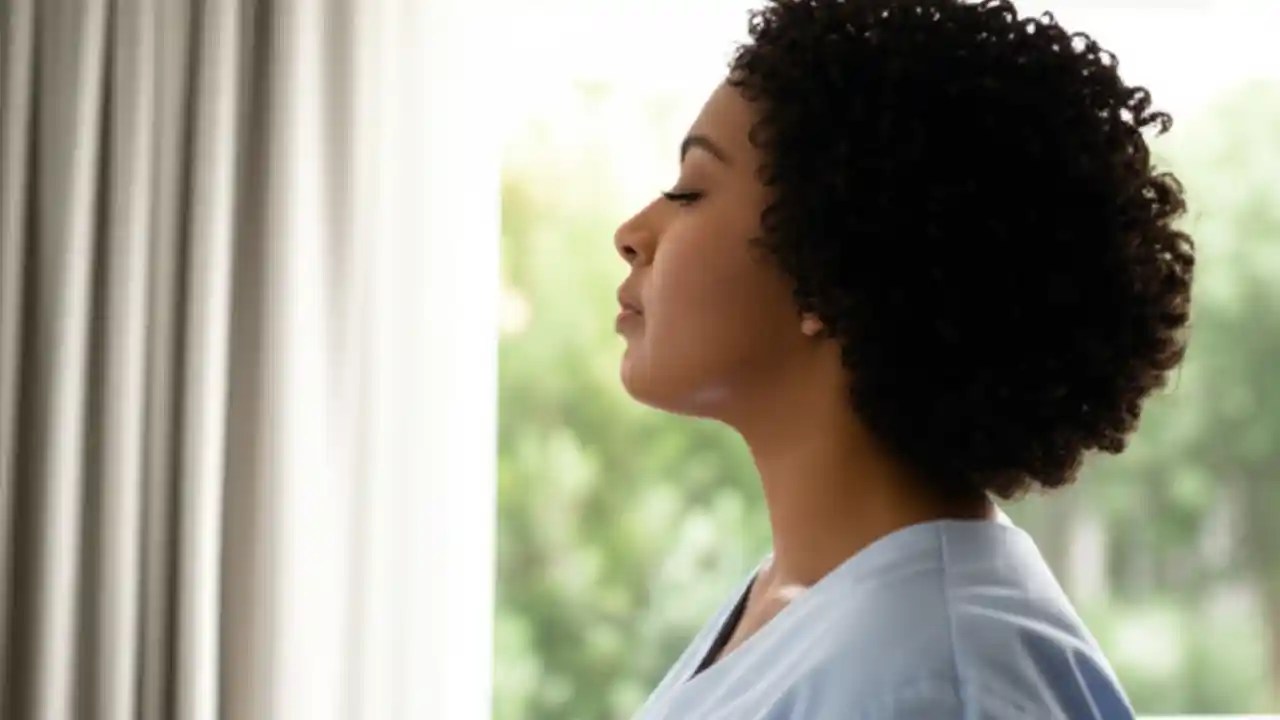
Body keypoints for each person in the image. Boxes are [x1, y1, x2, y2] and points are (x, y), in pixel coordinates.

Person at [611, 0, 1194, 717]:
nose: (633, 232)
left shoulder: (932, 681)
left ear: (828, 268)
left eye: (690, 192)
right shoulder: (812, 601)